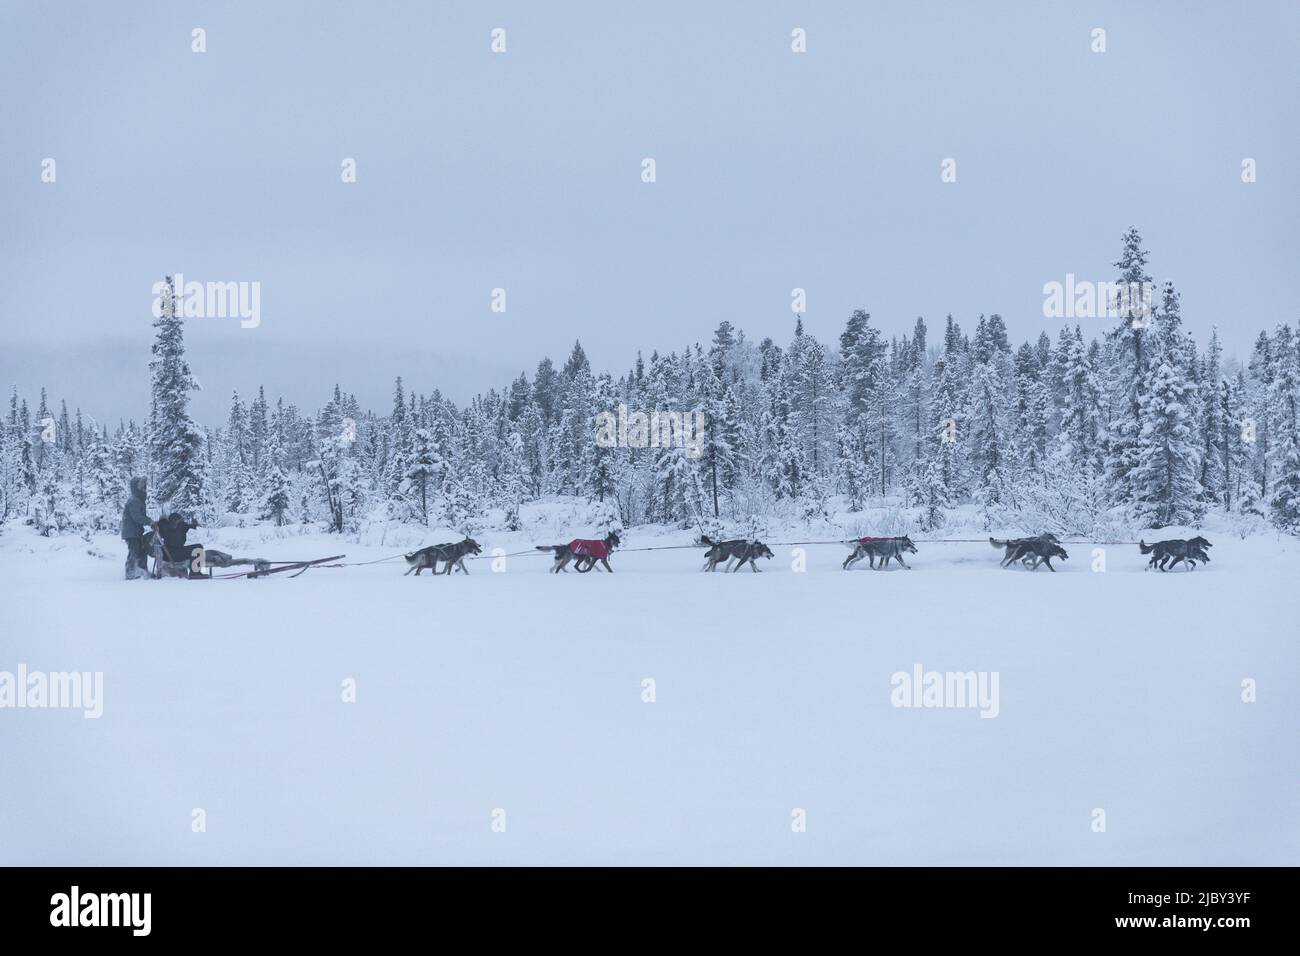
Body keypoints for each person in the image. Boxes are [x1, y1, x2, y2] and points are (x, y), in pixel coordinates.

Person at [120, 477, 155, 580]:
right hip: (131, 532)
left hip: (136, 531)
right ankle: (130, 571)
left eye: (144, 486)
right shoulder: (134, 501)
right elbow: (137, 517)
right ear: (136, 488)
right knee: (134, 550)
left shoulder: (138, 500)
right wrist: (150, 521)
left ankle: (142, 569)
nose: (144, 489)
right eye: (141, 486)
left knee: (142, 549)